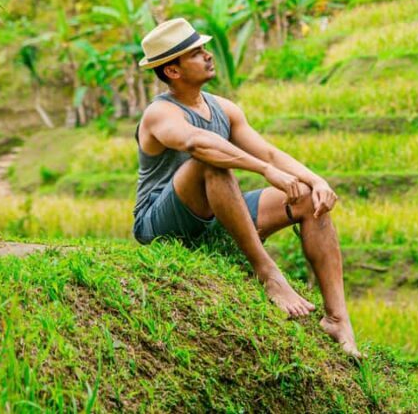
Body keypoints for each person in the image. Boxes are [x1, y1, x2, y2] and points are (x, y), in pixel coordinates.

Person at [132, 18, 360, 358]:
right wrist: (267, 172)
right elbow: (197, 143)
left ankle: (337, 319)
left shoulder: (223, 108)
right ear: (173, 71)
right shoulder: (159, 113)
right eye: (196, 53)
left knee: (311, 200)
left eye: (204, 49)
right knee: (211, 161)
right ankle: (267, 273)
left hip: (214, 214)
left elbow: (268, 151)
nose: (208, 56)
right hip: (162, 225)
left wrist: (316, 180)